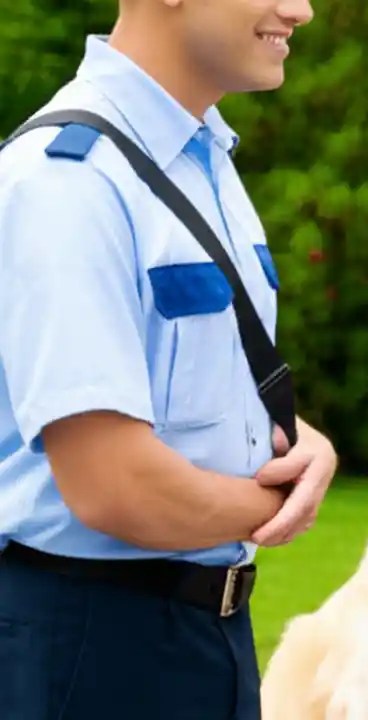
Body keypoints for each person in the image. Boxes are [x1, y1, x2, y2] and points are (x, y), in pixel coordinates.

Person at [0, 1, 336, 718]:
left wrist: (301, 442)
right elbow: (112, 485)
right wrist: (278, 502)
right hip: (93, 648)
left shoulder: (199, 159)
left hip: (206, 636)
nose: (300, 10)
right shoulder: (69, 179)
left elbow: (195, 388)